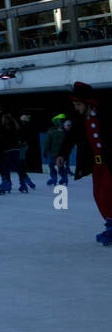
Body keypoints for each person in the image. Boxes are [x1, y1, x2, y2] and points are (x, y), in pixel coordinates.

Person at [61, 82, 112, 245]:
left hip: (110, 164)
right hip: (97, 166)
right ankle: (110, 225)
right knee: (99, 195)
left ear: (87, 103)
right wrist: (62, 153)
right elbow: (71, 138)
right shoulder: (79, 121)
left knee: (108, 193)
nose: (76, 108)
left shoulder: (106, 115)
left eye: (78, 104)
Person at [0, 107, 25, 194]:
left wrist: (0, 149)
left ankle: (7, 183)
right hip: (16, 149)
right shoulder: (15, 127)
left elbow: (1, 140)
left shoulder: (3, 128)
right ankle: (23, 183)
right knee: (18, 167)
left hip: (7, 150)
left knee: (5, 167)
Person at [45, 114, 71, 186]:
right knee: (60, 166)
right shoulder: (64, 132)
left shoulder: (51, 132)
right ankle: (64, 178)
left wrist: (45, 151)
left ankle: (54, 178)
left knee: (51, 165)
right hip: (62, 154)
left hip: (54, 153)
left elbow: (47, 143)